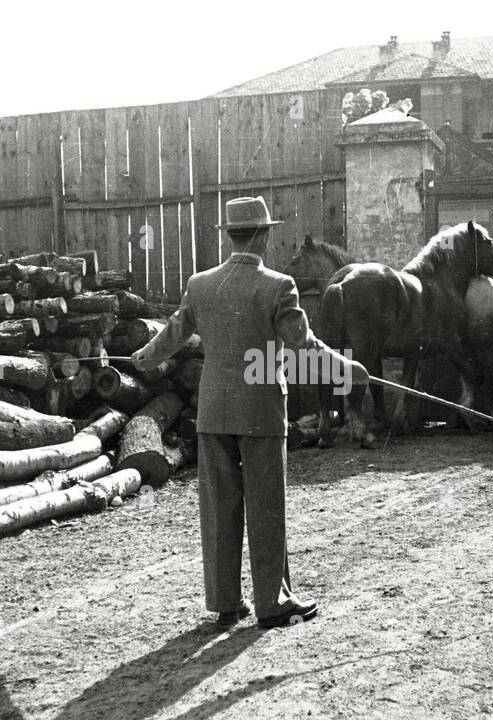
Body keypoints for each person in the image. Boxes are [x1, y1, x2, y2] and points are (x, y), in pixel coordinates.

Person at [131, 196, 367, 629]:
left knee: (219, 510)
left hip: (213, 413)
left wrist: (143, 356)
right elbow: (304, 346)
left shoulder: (200, 284)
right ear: (265, 234)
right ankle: (272, 603)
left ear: (231, 235)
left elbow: (173, 334)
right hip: (260, 413)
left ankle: (225, 602)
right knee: (266, 508)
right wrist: (349, 369)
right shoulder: (278, 286)